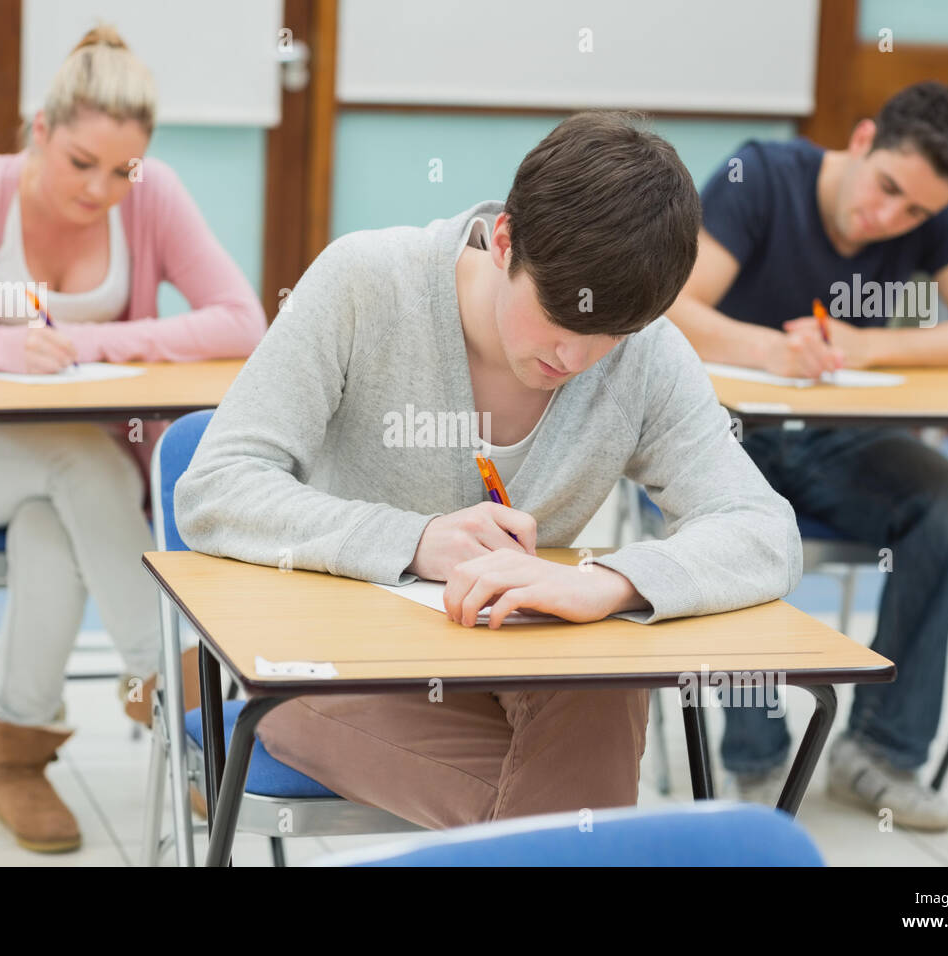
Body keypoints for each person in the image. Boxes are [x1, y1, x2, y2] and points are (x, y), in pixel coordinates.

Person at [174, 111, 803, 829]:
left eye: (609, 336)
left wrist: (608, 583)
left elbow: (763, 530)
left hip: (510, 662)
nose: (576, 360)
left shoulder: (646, 352)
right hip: (328, 660)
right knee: (576, 829)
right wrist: (413, 540)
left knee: (606, 681)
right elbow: (217, 487)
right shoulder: (367, 283)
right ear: (503, 240)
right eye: (559, 320)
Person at [0, 25, 266, 852]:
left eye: (122, 170)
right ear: (40, 129)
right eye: (80, 163)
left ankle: (16, 749)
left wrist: (101, 342)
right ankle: (176, 694)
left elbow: (241, 321)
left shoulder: (154, 196)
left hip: (83, 481)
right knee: (75, 457)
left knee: (53, 517)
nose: (102, 189)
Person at [665, 81, 948, 831]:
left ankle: (880, 753)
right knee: (738, 520)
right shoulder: (761, 175)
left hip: (835, 435)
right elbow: (672, 307)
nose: (890, 217)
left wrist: (869, 345)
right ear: (862, 140)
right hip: (725, 434)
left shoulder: (933, 202)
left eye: (916, 213)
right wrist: (771, 347)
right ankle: (756, 764)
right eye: (888, 188)